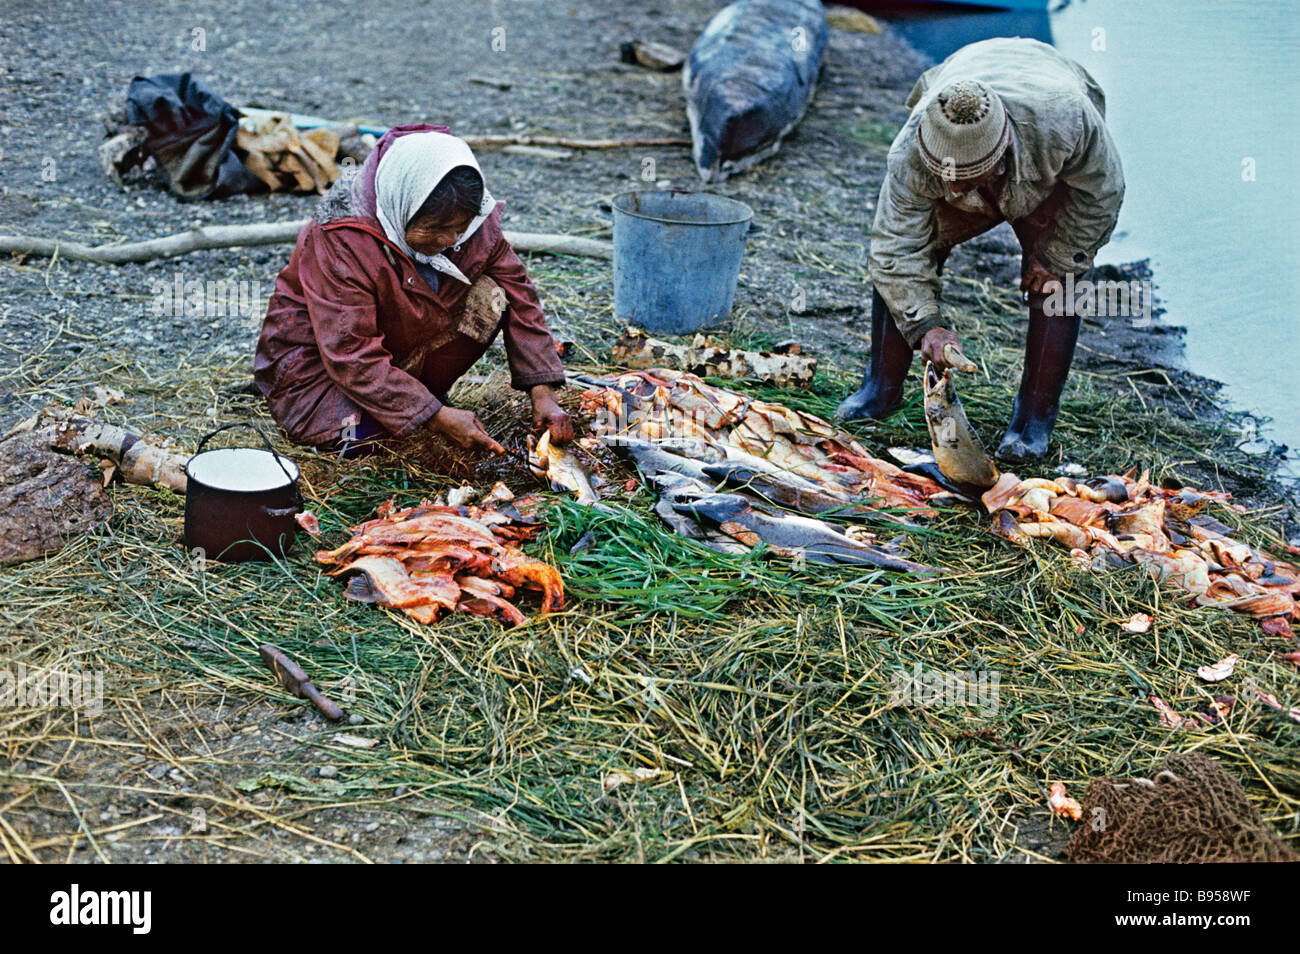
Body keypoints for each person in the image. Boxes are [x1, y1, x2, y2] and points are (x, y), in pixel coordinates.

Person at [836, 38, 1124, 460]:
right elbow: (895, 248)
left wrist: (1057, 257)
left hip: (1043, 167)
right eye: (945, 177)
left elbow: (1101, 192)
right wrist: (925, 326)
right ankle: (880, 388)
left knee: (1059, 282)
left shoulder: (1065, 121)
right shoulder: (911, 153)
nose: (952, 190)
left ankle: (1032, 422)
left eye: (965, 178)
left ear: (1000, 151)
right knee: (911, 253)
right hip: (972, 77)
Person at [254, 123, 573, 457]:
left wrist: (543, 392)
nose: (450, 241)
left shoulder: (472, 221)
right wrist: (434, 416)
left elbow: (519, 295)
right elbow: (351, 352)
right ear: (402, 206)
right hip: (320, 367)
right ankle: (409, 406)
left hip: (399, 347)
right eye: (434, 229)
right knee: (373, 441)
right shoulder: (341, 237)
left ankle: (417, 397)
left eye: (459, 229)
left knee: (492, 293)